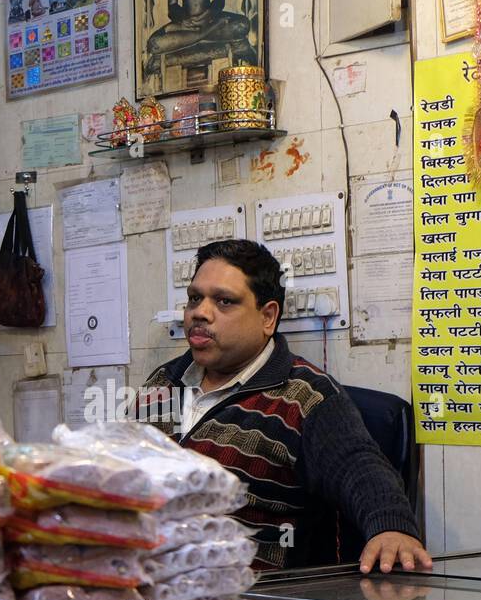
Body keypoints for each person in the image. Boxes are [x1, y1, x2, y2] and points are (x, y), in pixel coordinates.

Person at [138, 240, 431, 573]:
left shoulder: (305, 396)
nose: (199, 313)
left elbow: (359, 465)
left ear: (267, 317)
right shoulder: (163, 382)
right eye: (195, 298)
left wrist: (391, 526)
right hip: (141, 591)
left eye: (224, 301)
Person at [144, 0, 253, 81]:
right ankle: (204, 34)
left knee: (243, 24)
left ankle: (198, 35)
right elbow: (172, 6)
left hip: (209, 20)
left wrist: (209, 14)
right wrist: (184, 19)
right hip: (187, 26)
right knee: (154, 43)